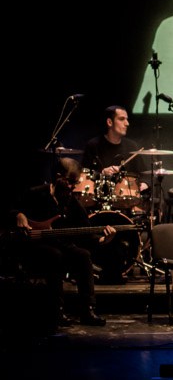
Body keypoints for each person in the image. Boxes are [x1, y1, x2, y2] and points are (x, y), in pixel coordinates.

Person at [6, 156, 116, 328]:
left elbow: (86, 231)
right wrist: (18, 215)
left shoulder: (71, 201)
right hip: (34, 247)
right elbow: (11, 209)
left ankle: (87, 310)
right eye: (71, 182)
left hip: (62, 246)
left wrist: (103, 239)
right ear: (58, 177)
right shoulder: (36, 193)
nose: (73, 187)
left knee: (83, 255)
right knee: (54, 255)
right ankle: (55, 310)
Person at [82, 105, 147, 211]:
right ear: (109, 122)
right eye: (122, 119)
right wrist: (102, 173)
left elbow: (145, 174)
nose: (127, 123)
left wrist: (144, 184)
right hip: (99, 204)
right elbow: (83, 176)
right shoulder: (93, 145)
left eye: (127, 119)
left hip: (127, 205)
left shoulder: (132, 147)